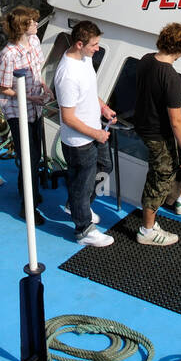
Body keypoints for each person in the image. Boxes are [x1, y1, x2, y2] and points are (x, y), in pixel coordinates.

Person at [53, 20, 117, 248]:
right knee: (81, 183)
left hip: (94, 132)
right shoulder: (67, 75)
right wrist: (96, 134)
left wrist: (103, 107)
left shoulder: (85, 59)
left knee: (104, 169)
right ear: (79, 44)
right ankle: (84, 230)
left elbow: (90, 91)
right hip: (79, 141)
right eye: (94, 44)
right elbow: (68, 117)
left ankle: (77, 206)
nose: (97, 49)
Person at [133, 23, 181, 246]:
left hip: (142, 125)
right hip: (158, 134)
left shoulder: (146, 60)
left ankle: (155, 218)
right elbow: (176, 120)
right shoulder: (171, 78)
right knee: (160, 178)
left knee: (159, 176)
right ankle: (147, 230)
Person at [0, 5, 51, 225]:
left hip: (34, 108)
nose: (36, 24)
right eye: (32, 22)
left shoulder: (35, 43)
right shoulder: (8, 55)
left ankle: (29, 192)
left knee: (34, 155)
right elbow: (1, 86)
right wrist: (29, 98)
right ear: (22, 27)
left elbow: (37, 70)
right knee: (29, 156)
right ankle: (27, 207)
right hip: (18, 112)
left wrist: (44, 87)